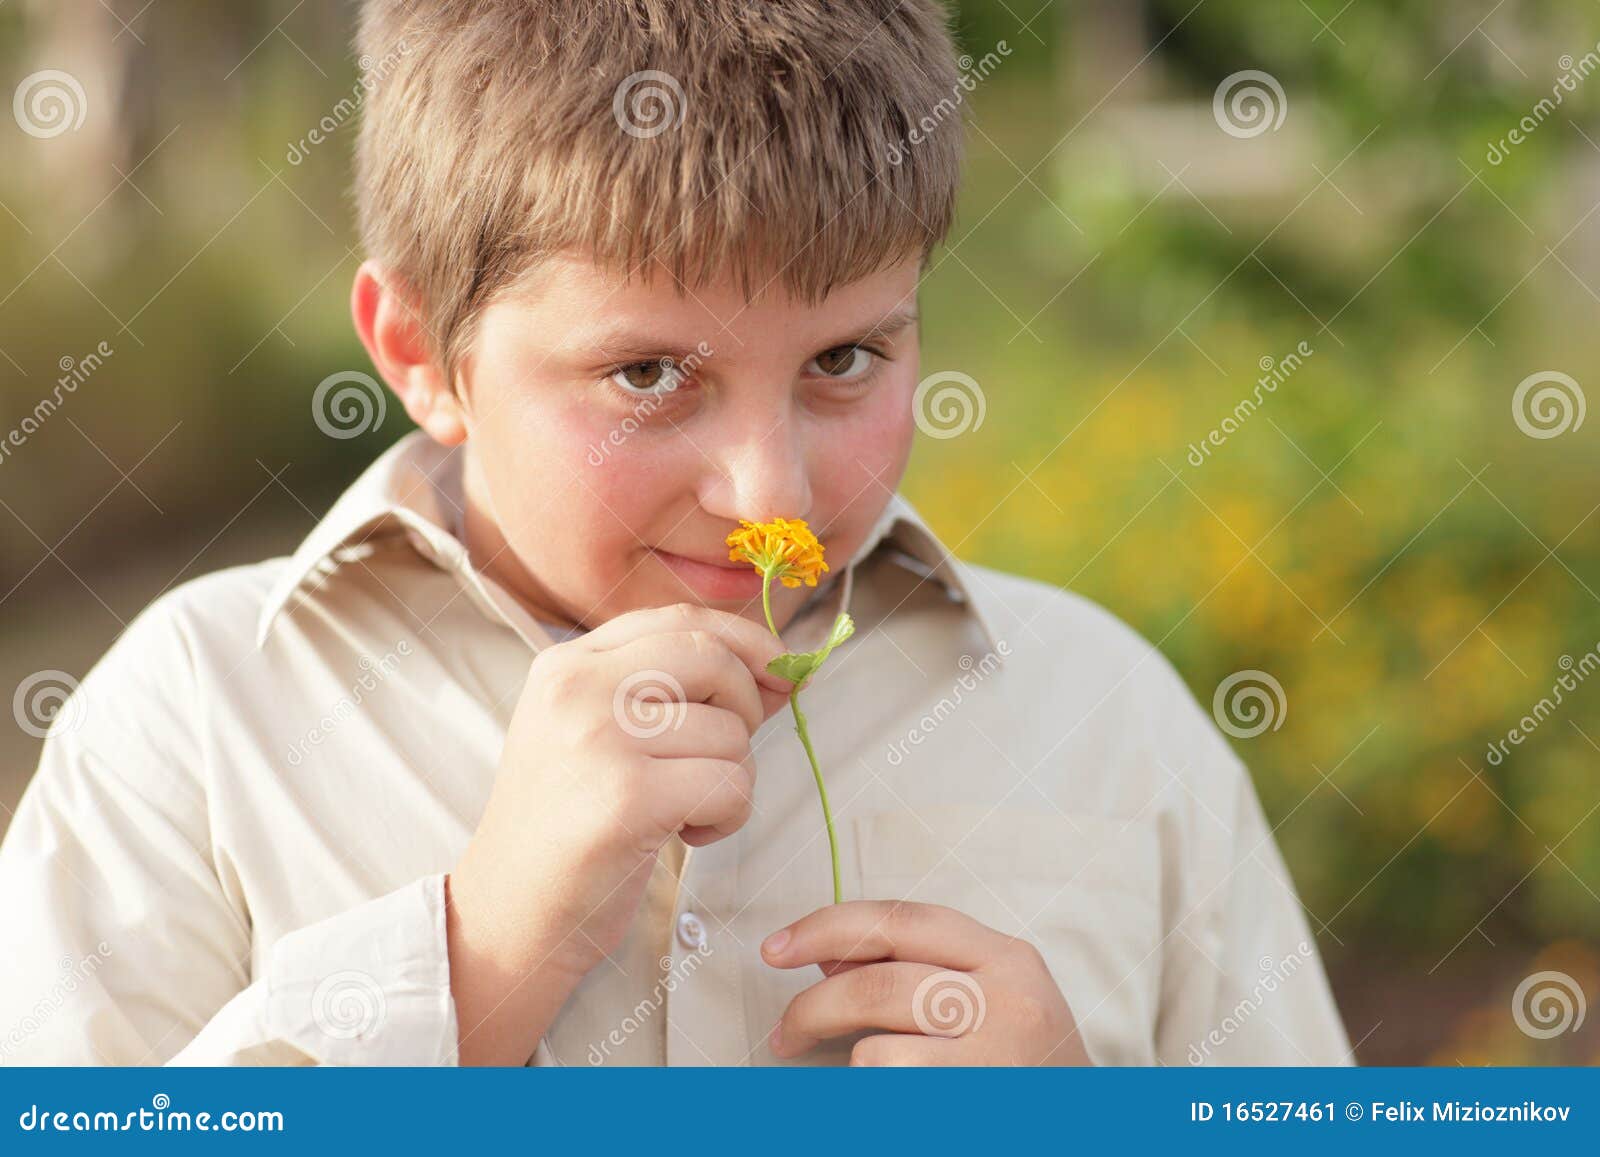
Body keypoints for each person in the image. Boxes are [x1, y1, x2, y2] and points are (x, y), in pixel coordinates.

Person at [0, 0, 1349, 1067]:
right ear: (419, 349)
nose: (771, 499)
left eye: (845, 360)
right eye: (648, 375)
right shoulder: (194, 723)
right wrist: (472, 964)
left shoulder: (1105, 718)